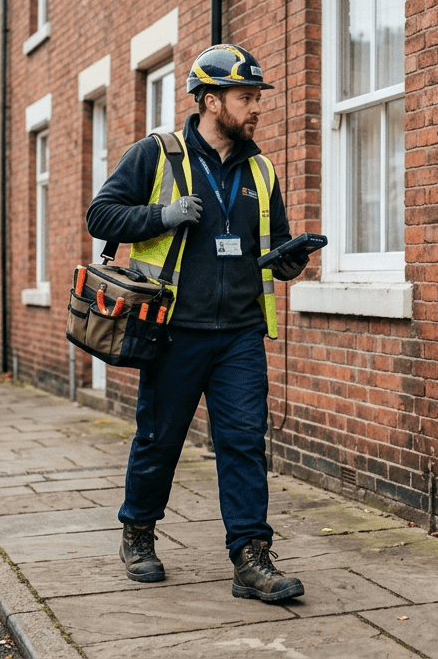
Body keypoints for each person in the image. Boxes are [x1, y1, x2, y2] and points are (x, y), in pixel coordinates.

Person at [85, 44, 309, 602]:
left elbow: (275, 242)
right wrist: (162, 215)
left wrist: (291, 258)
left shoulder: (261, 168)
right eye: (245, 97)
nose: (256, 107)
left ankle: (250, 557)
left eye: (257, 97)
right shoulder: (157, 154)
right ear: (211, 101)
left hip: (239, 334)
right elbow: (100, 214)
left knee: (243, 444)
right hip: (173, 331)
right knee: (160, 440)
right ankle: (138, 532)